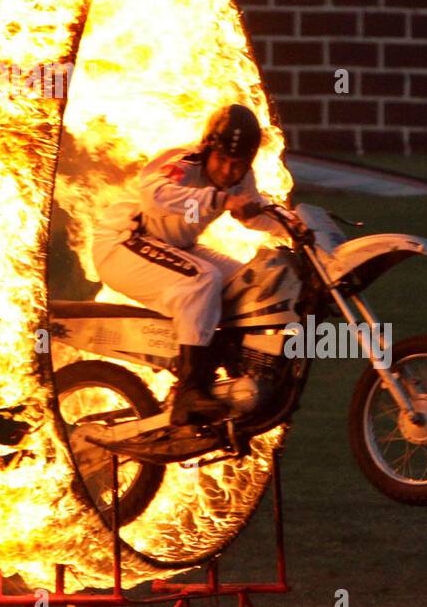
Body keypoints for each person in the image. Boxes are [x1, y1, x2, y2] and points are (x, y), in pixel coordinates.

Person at [92, 103, 285, 426]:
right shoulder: (185, 162)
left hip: (173, 247)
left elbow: (258, 214)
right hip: (126, 241)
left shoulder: (241, 178)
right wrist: (219, 200)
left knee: (248, 283)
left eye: (236, 165)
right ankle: (189, 391)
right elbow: (155, 194)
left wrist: (299, 227)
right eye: (221, 160)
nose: (227, 171)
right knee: (202, 279)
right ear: (208, 148)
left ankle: (232, 369)